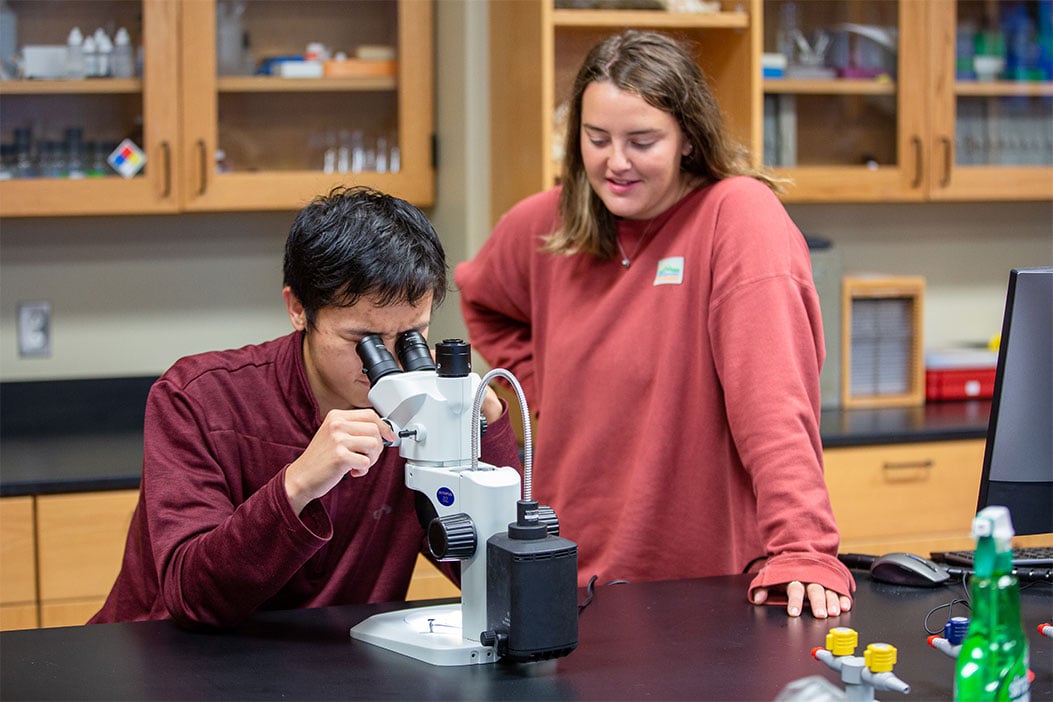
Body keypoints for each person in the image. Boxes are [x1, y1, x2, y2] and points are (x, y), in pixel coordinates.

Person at [456, 30, 854, 619]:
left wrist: (804, 547)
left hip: (701, 590)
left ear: (689, 138)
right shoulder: (546, 222)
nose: (616, 163)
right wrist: (546, 390)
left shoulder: (737, 216)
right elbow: (481, 296)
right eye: (597, 139)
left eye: (642, 141)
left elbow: (774, 402)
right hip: (565, 581)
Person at [91, 185, 519, 628]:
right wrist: (297, 485)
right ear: (298, 308)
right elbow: (194, 599)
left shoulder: (416, 415)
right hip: (174, 662)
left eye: (411, 336)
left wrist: (485, 435)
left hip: (333, 664)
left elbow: (500, 581)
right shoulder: (196, 399)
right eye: (362, 341)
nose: (388, 364)